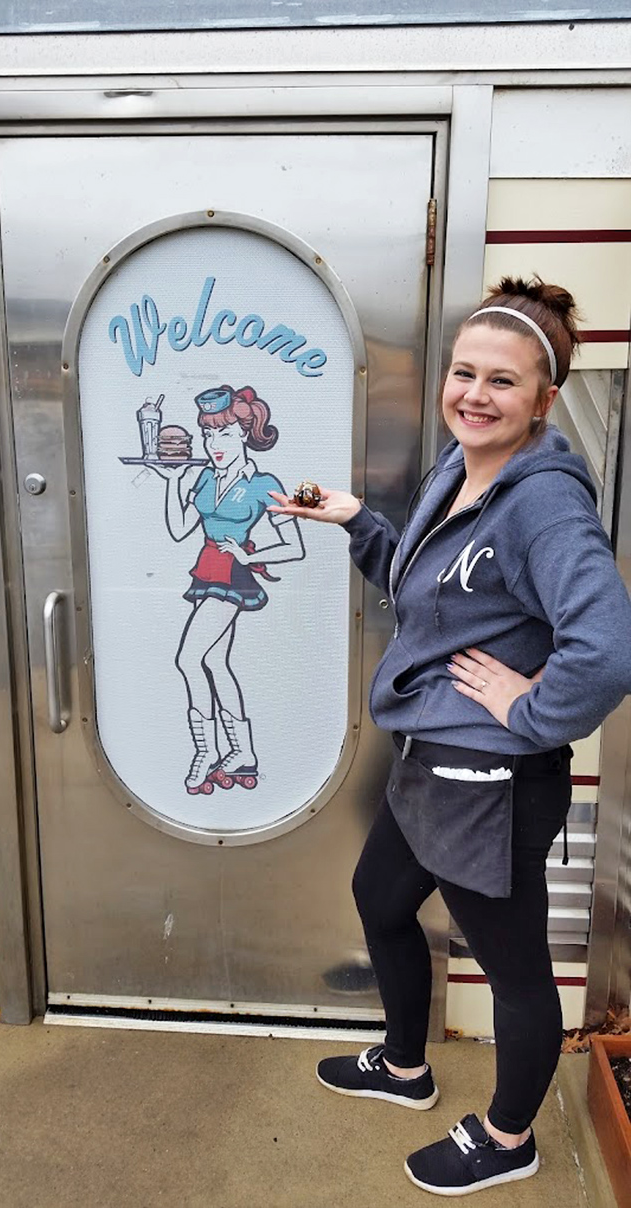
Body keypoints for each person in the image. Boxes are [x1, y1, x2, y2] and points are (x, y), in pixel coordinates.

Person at [268, 277, 631, 1196]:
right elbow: (433, 591)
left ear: (544, 400)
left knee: (514, 973)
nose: (474, 394)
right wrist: (358, 524)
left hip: (492, 782)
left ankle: (510, 1139)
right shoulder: (460, 467)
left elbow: (608, 651)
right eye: (464, 372)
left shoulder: (543, 503)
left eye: (502, 382)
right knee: (381, 900)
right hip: (433, 761)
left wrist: (528, 711)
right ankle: (404, 1067)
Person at [153, 385, 304, 794]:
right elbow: (180, 528)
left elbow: (295, 547)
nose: (212, 444)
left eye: (222, 434)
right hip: (205, 573)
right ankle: (242, 752)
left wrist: (247, 554)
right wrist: (172, 480)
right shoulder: (203, 477)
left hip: (231, 578)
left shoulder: (263, 483)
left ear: (243, 434)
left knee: (188, 659)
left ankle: (208, 751)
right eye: (207, 435)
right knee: (216, 664)